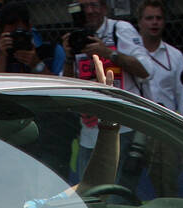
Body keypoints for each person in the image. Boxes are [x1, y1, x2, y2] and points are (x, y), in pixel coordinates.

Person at [63, 1, 150, 180]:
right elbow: (65, 86)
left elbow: (145, 70)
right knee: (89, 199)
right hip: (89, 134)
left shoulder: (120, 29)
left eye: (94, 5)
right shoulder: (76, 37)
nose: (89, 11)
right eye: (84, 6)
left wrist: (108, 53)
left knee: (118, 197)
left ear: (104, 8)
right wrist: (69, 57)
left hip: (123, 129)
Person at [133, 0, 183, 196]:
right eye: (149, 18)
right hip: (133, 125)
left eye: (159, 18)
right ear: (139, 22)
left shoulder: (175, 55)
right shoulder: (128, 54)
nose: (154, 23)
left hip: (164, 128)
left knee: (167, 187)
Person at [0, 2, 64, 74]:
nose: (17, 38)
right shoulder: (0, 54)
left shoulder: (53, 51)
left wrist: (37, 65)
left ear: (29, 27)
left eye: (19, 33)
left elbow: (60, 82)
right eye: (11, 35)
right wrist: (3, 57)